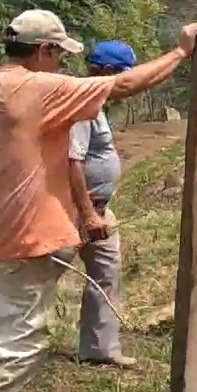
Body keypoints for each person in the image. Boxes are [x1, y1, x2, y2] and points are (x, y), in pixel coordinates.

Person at [0, 10, 197, 392]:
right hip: (19, 239)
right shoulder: (35, 88)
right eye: (57, 53)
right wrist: (182, 50)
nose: (60, 63)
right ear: (42, 51)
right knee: (24, 340)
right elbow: (124, 85)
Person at [68, 40, 137, 369]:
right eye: (125, 75)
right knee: (40, 278)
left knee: (106, 273)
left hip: (98, 209)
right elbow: (73, 161)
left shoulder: (96, 104)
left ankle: (99, 347)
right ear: (108, 73)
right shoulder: (82, 106)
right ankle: (12, 346)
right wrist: (86, 214)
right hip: (74, 211)